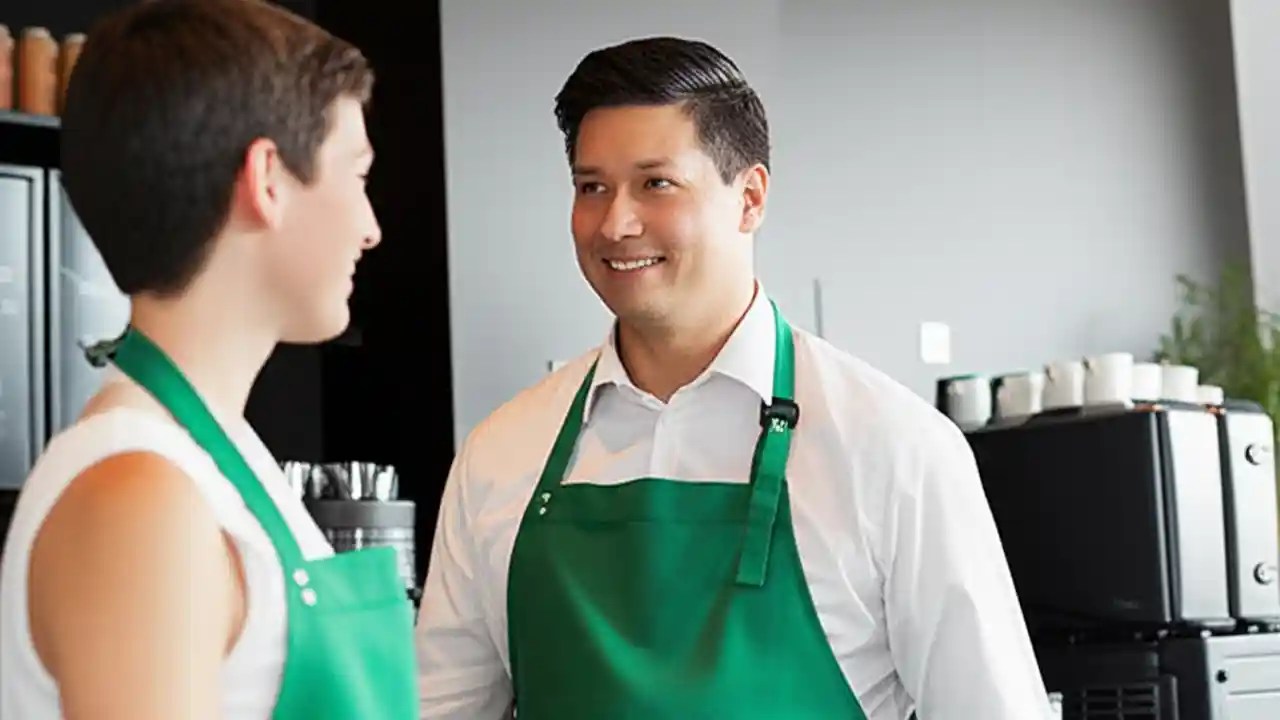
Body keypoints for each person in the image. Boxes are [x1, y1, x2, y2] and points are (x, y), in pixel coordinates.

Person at [415, 35, 1053, 719]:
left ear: (749, 198)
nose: (615, 221)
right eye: (590, 187)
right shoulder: (500, 454)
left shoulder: (893, 448)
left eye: (656, 183)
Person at [0, 1, 418, 718]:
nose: (371, 227)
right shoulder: (139, 497)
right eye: (357, 175)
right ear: (268, 181)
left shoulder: (210, 460)